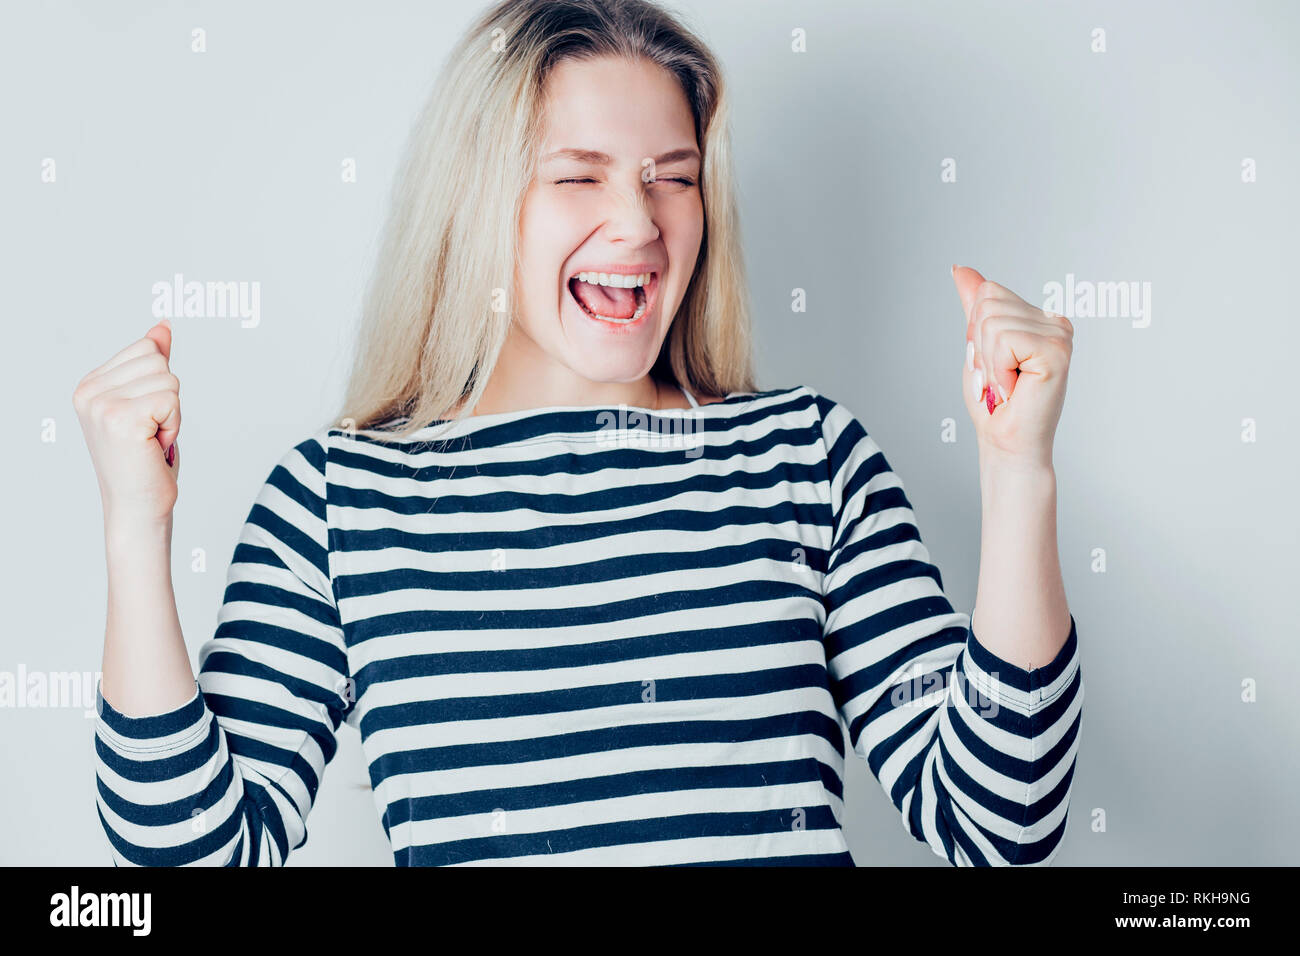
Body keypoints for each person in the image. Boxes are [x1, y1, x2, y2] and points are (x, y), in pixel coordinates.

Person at [75, 0, 1081, 867]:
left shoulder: (808, 457)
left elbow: (996, 820)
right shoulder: (338, 500)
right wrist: (133, 529)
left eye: (671, 176)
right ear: (479, 204)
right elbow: (193, 850)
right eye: (579, 175)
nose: (638, 221)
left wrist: (1018, 469)